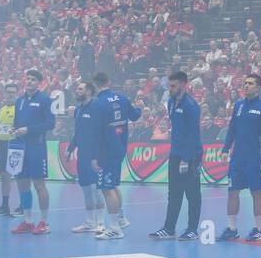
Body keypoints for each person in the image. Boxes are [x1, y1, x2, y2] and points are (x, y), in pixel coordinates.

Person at [219, 73, 261, 243]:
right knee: (232, 192)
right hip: (237, 158)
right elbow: (232, 128)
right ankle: (232, 229)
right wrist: (225, 148)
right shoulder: (238, 105)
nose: (246, 86)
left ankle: (258, 229)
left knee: (256, 192)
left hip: (255, 158)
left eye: (250, 83)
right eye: (245, 83)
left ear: (258, 87)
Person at [89, 71, 143, 240]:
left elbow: (96, 132)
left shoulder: (97, 104)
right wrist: (140, 106)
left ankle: (114, 228)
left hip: (106, 150)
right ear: (109, 82)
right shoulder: (121, 97)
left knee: (106, 188)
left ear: (95, 85)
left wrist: (94, 156)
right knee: (113, 185)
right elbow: (135, 116)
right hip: (120, 147)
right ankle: (120, 218)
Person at [150, 71, 202, 241]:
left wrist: (186, 159)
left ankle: (193, 229)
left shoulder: (191, 106)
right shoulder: (171, 102)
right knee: (174, 192)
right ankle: (169, 228)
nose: (169, 89)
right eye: (168, 86)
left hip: (191, 155)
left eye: (173, 86)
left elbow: (193, 135)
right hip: (175, 153)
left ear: (183, 85)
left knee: (192, 193)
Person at [9, 69, 55, 235]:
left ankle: (44, 222)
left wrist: (28, 130)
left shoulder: (44, 100)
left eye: (33, 79)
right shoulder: (19, 101)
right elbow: (16, 123)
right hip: (20, 149)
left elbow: (50, 124)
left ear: (39, 83)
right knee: (22, 184)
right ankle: (28, 221)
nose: (29, 81)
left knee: (39, 185)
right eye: (27, 78)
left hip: (37, 148)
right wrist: (14, 131)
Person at [66, 80, 105, 233]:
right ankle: (90, 223)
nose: (77, 90)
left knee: (96, 190)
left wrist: (96, 157)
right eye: (77, 88)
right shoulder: (78, 110)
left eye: (80, 88)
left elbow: (99, 134)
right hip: (81, 157)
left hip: (94, 157)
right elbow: (78, 133)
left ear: (88, 91)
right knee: (86, 190)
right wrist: (70, 149)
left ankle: (101, 223)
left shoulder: (96, 107)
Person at [0, 80, 23, 218]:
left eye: (13, 93)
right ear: (4, 93)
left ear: (17, 93)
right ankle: (5, 206)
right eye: (8, 92)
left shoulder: (20, 108)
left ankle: (23, 205)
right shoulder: (0, 108)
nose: (10, 95)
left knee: (20, 176)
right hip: (3, 145)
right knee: (4, 176)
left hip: (16, 144)